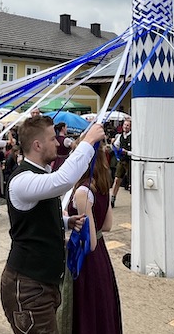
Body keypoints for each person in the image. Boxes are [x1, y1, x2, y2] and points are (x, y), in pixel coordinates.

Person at [0, 116, 103, 333]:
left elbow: (34, 218)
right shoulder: (22, 180)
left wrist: (65, 222)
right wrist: (88, 142)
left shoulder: (39, 175)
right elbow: (63, 180)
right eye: (52, 138)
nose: (58, 142)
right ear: (37, 145)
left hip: (40, 284)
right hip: (29, 286)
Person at [64, 132, 123, 334]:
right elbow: (106, 226)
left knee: (86, 307)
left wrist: (67, 225)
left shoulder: (82, 192)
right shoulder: (102, 185)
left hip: (84, 260)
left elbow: (89, 242)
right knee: (101, 306)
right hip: (101, 258)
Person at [110, 117, 132, 208]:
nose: (125, 127)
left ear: (130, 127)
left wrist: (126, 152)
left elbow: (136, 152)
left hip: (131, 161)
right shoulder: (119, 136)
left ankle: (137, 201)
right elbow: (115, 148)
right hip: (122, 160)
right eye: (124, 125)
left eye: (127, 125)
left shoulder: (133, 137)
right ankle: (113, 198)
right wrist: (112, 143)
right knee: (117, 179)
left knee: (132, 182)